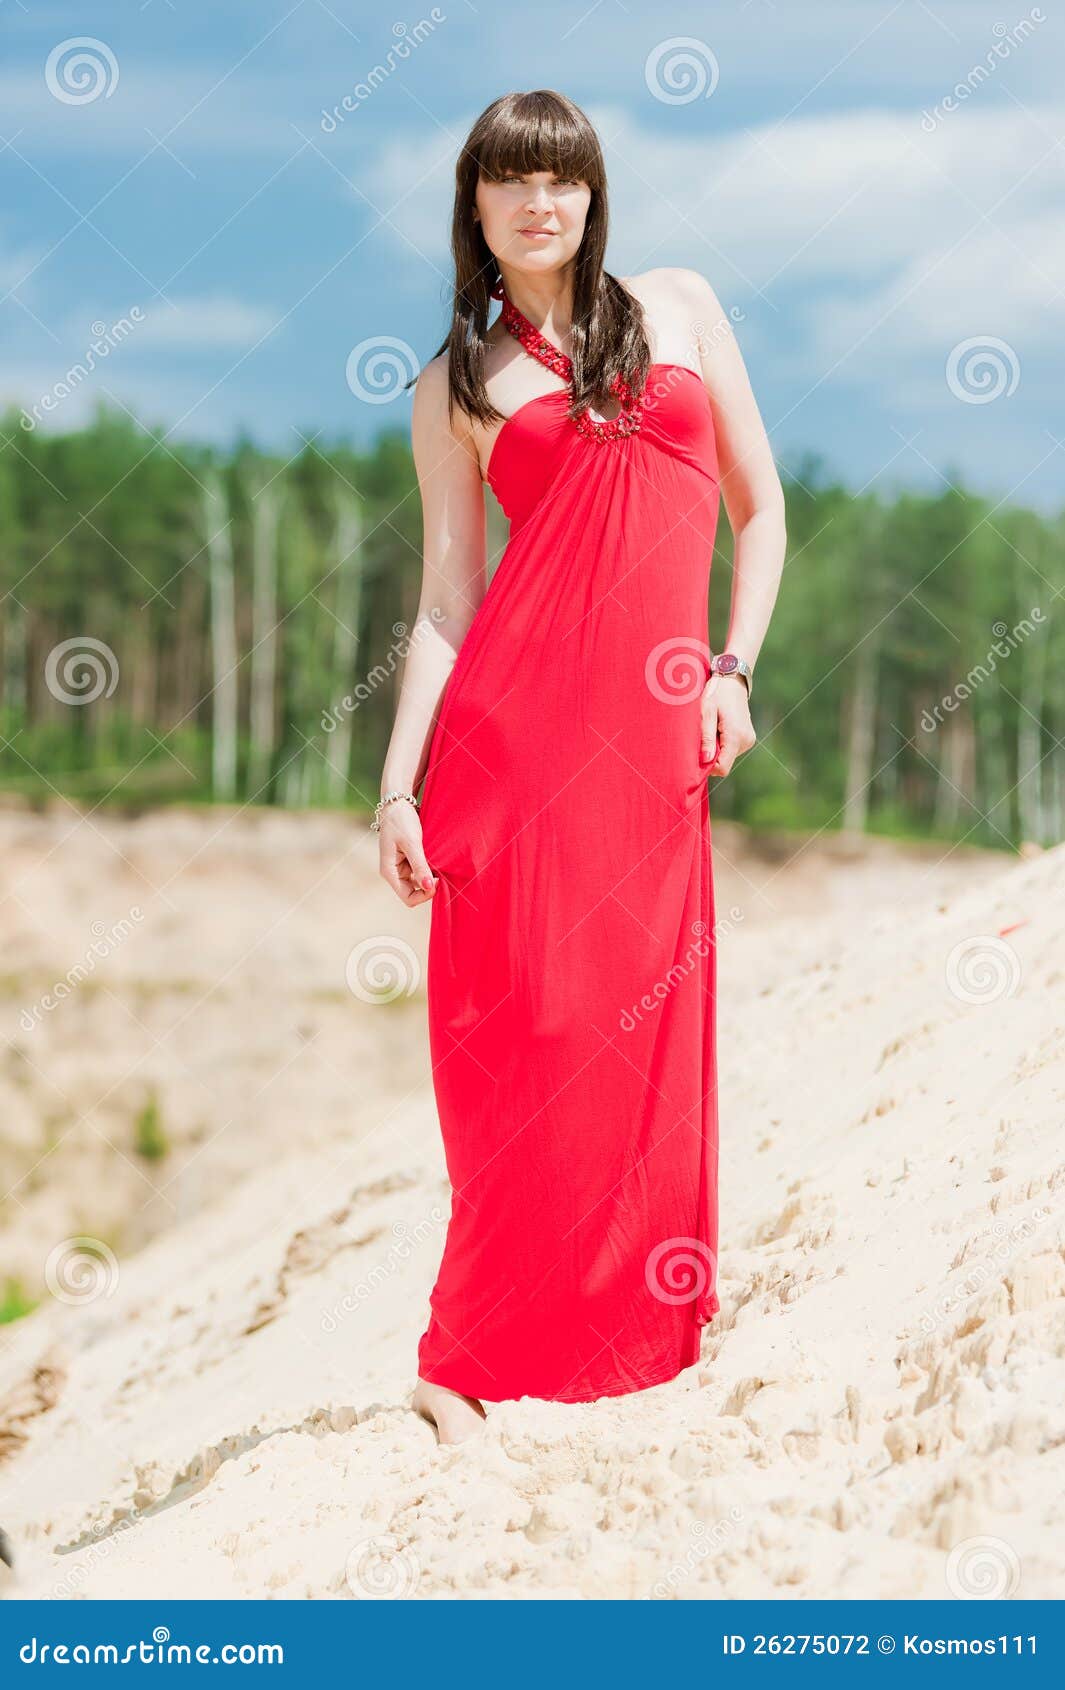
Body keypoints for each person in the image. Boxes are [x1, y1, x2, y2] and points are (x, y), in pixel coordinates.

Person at [376, 90, 785, 1443]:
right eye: (509, 182)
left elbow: (758, 506)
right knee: (524, 1037)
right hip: (510, 743)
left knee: (640, 1022)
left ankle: (640, 1326)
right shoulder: (454, 382)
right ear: (476, 208)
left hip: (652, 736)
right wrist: (395, 784)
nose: (537, 203)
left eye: (559, 178)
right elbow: (445, 599)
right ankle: (464, 1351)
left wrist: (731, 667)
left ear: (590, 191)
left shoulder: (677, 306)